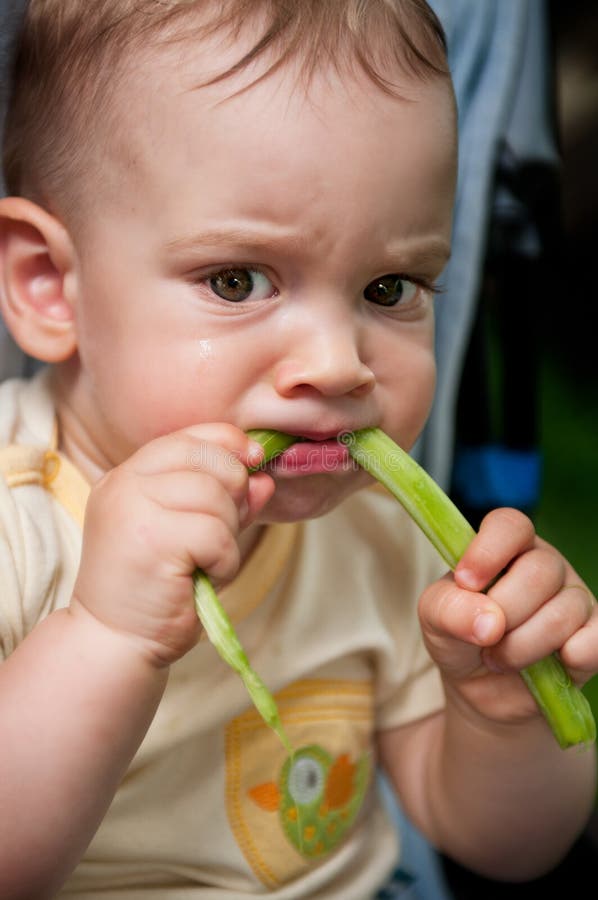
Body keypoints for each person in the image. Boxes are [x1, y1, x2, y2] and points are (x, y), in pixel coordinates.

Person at [0, 2, 596, 898]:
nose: (337, 363)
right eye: (237, 281)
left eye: (390, 287)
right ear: (50, 286)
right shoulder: (15, 519)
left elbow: (499, 845)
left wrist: (503, 716)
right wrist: (108, 637)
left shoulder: (380, 539)